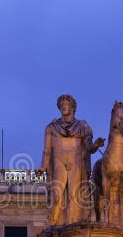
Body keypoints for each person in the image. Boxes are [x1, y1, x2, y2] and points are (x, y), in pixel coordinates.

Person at [38, 94, 103, 226]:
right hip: (58, 161)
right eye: (61, 105)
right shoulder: (51, 127)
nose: (63, 107)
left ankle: (74, 226)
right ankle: (52, 225)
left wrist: (95, 145)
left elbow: (89, 147)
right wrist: (43, 166)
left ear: (72, 107)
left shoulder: (82, 126)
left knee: (75, 197)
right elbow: (47, 150)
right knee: (56, 196)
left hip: (76, 162)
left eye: (66, 104)